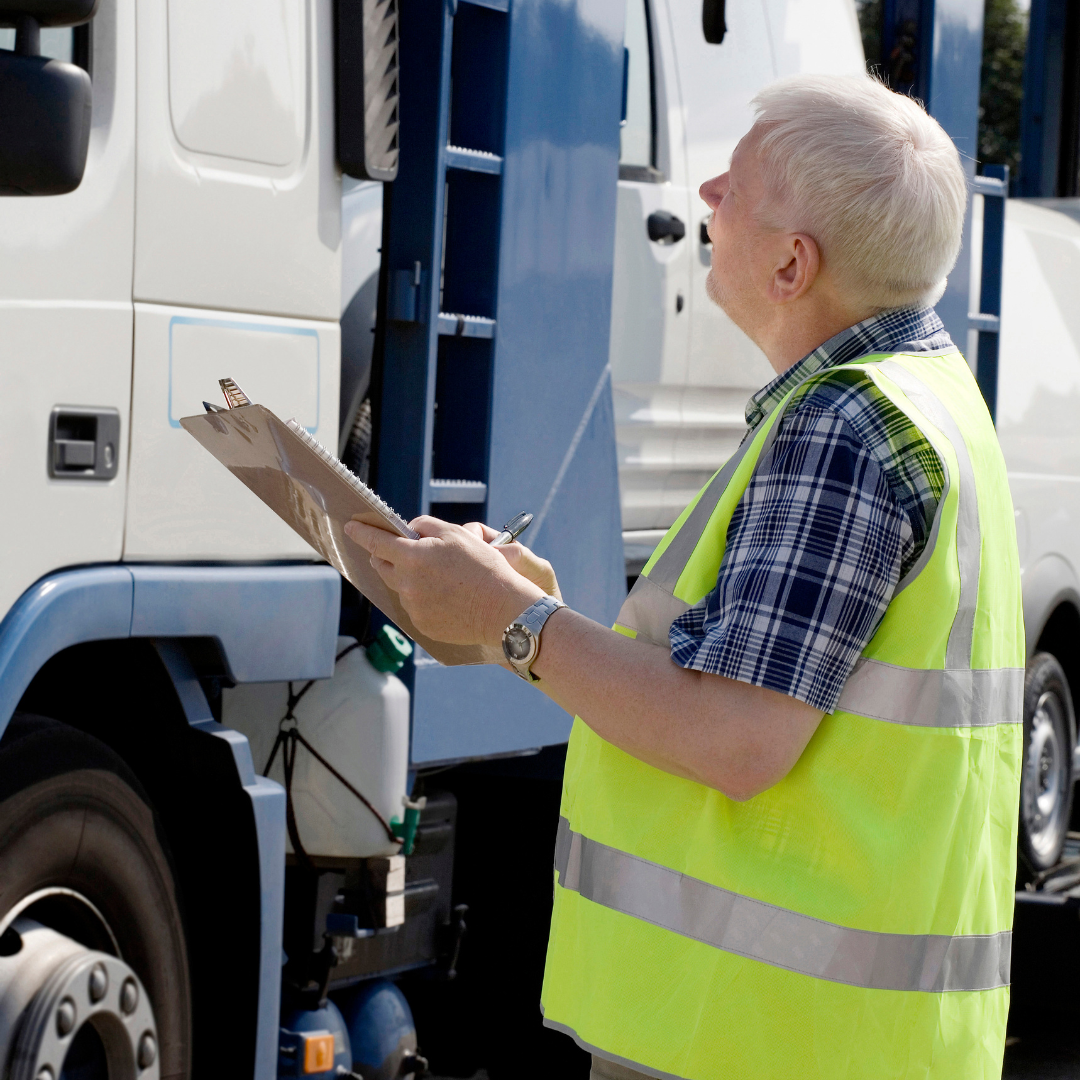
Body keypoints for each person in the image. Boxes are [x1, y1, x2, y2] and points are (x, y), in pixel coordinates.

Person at [346, 75, 1023, 1079]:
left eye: (738, 188)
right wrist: (528, 614)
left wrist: (516, 622)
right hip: (819, 1040)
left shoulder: (844, 426)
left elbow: (736, 736)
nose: (704, 194)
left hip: (763, 1041)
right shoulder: (923, 398)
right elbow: (755, 686)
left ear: (794, 263)